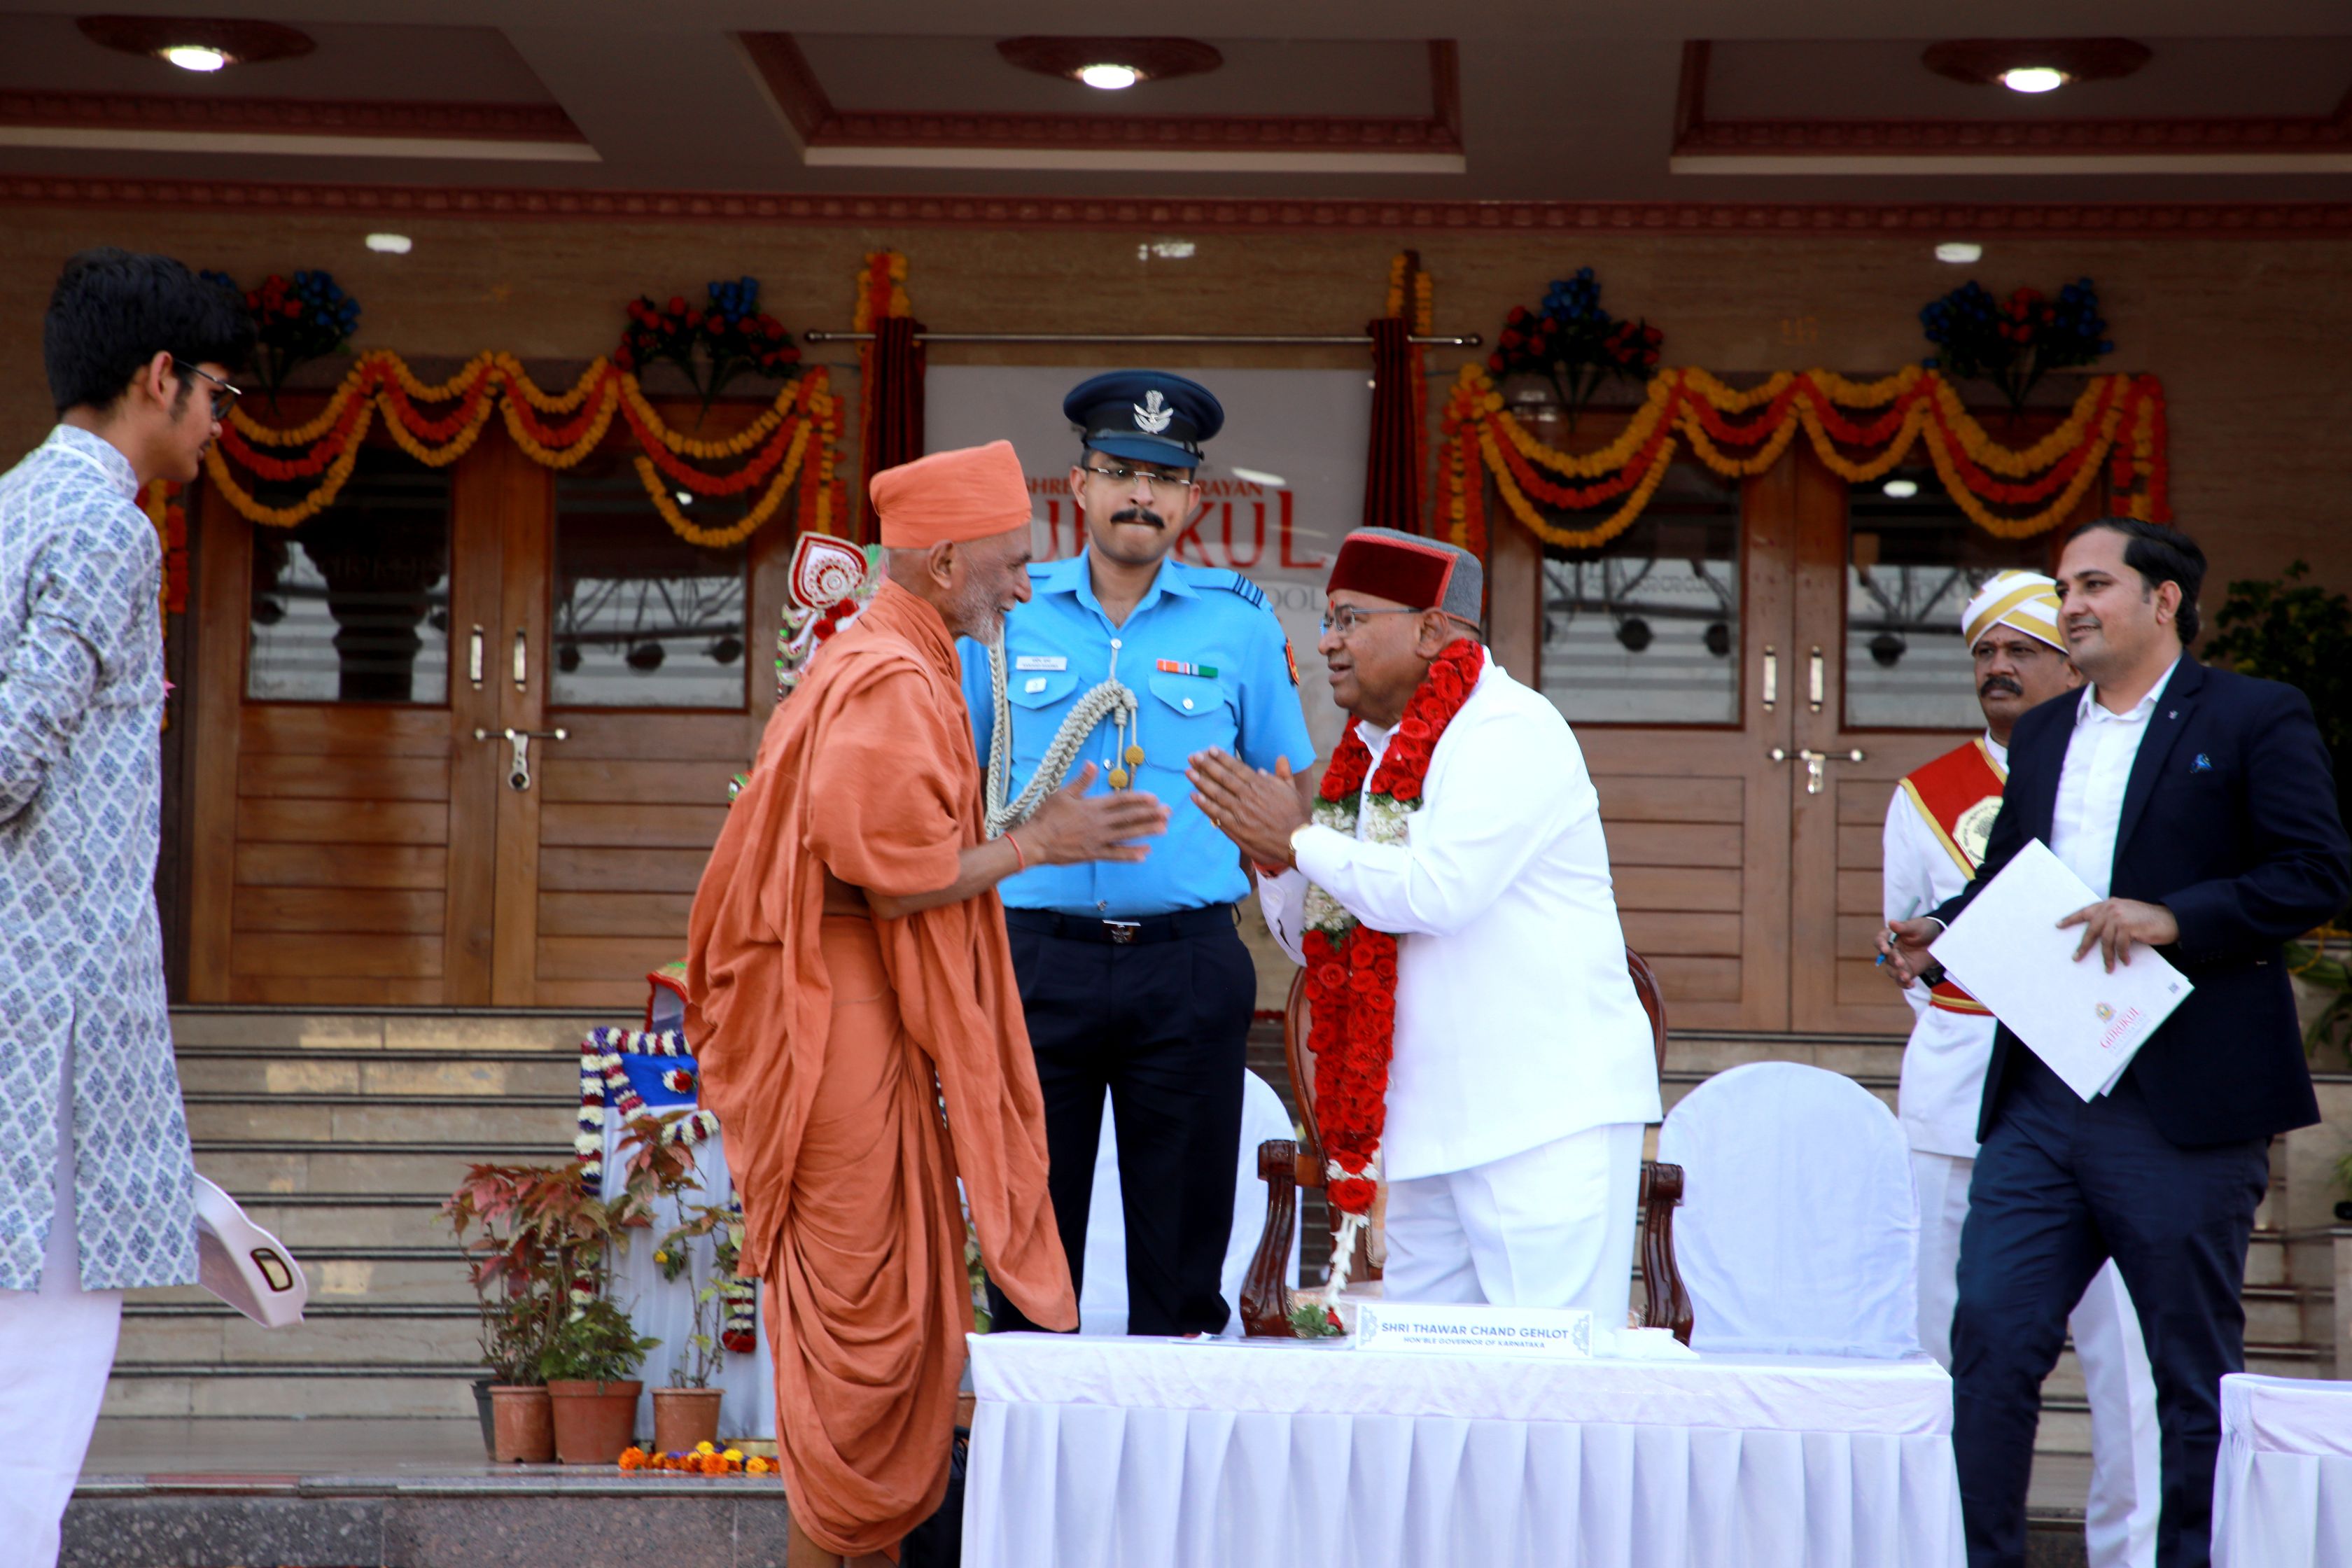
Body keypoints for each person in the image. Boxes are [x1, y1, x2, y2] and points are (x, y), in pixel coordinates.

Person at [685, 441, 1169, 1568]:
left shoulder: (902, 656)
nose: (1023, 584)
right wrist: (1037, 844)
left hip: (867, 1009)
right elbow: (888, 861)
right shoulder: (892, 676)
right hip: (841, 1018)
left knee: (904, 1310)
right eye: (1009, 563)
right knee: (870, 1319)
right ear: (946, 562)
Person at [1881, 519, 2351, 1568]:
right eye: (2064, 587)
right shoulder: (2046, 736)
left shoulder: (2253, 715)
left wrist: (2173, 916)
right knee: (1992, 1345)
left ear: (2165, 601)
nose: (2072, 605)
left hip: (2181, 1104)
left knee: (2186, 1372)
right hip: (2042, 1094)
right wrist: (1942, 934)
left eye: (2095, 584)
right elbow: (2011, 876)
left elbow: (2316, 873)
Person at [1189, 528, 1661, 1314]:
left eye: (1348, 619)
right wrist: (1274, 859)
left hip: (1539, 1121)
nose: (1327, 641)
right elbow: (1331, 933)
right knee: (1426, 1386)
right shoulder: (1371, 755)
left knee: (1551, 1386)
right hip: (1425, 1127)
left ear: (1431, 629)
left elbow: (1438, 891)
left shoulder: (1511, 728)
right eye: (1329, 620)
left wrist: (1299, 838)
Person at [957, 371, 1313, 1337]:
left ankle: (1170, 1478)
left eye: (1164, 477)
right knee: (1030, 1250)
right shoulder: (1008, 617)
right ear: (1077, 488)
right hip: (1034, 960)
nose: (1141, 496)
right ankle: (1035, 1475)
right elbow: (954, 779)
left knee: (1181, 1261)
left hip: (1185, 966)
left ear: (1194, 498)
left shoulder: (1238, 626)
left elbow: (1293, 795)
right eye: (1120, 471)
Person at [0, 249, 249, 1567]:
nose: (218, 422)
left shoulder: (15, 502)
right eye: (218, 392)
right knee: (42, 1363)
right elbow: (11, 751)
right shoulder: (105, 521)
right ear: (159, 378)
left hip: (28, 995)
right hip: (53, 1019)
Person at [1882, 569, 2159, 1568]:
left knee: (2128, 1367)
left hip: (2115, 1096)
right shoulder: (1927, 795)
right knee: (1950, 1351)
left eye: (2022, 650)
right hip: (1965, 1097)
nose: (1999, 668)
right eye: (1984, 653)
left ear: (2072, 657)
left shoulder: (2131, 766)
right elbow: (1916, 953)